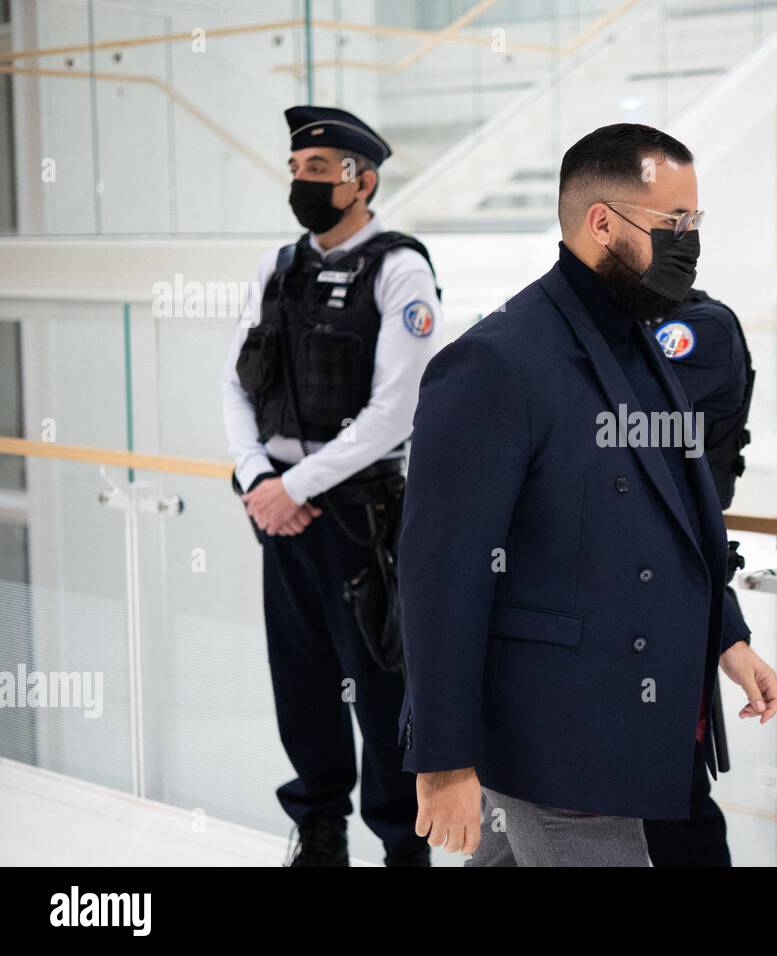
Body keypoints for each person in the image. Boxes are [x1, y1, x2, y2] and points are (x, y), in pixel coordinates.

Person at [397, 123, 777, 866]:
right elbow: (441, 576)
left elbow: (679, 520)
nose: (689, 241)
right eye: (674, 224)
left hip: (637, 708)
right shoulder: (495, 363)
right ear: (601, 222)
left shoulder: (638, 340)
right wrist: (442, 760)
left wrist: (726, 637)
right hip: (560, 729)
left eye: (695, 222)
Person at [220, 105, 442, 866]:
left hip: (360, 516)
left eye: (318, 170)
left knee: (380, 692)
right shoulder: (277, 268)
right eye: (295, 170)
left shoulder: (400, 268)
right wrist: (257, 477)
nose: (302, 182)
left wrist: (296, 485)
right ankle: (319, 830)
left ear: (363, 180)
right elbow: (234, 385)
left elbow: (396, 411)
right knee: (303, 680)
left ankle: (401, 848)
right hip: (278, 512)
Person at [641, 289, 755, 866]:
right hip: (607, 596)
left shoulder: (698, 328)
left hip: (673, 592)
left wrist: (728, 632)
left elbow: (612, 418)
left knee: (671, 801)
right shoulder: (610, 323)